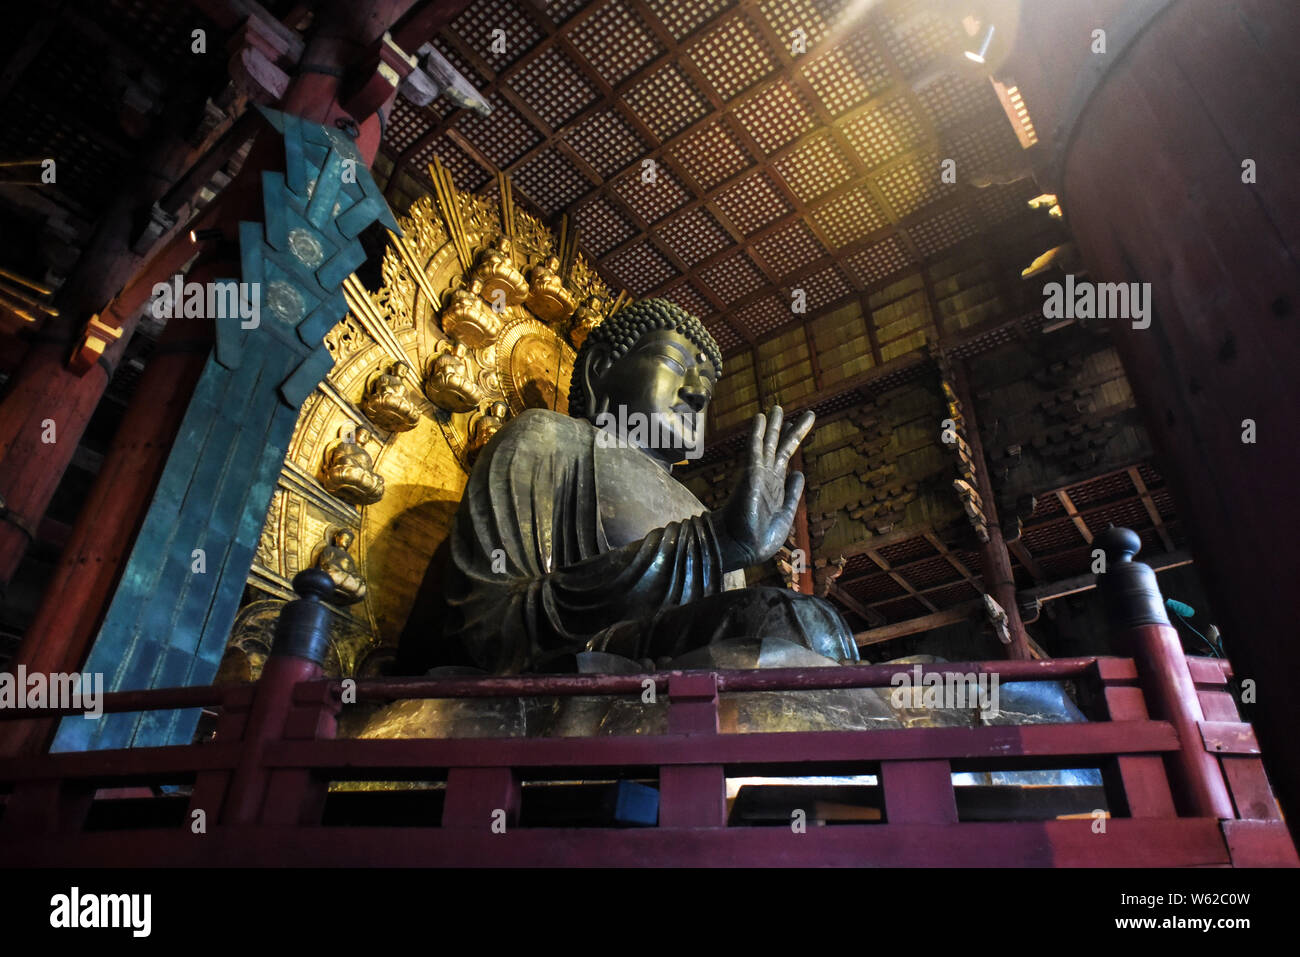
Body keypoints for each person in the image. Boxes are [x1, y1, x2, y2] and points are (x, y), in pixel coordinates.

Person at [399, 298, 857, 674]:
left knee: (812, 627)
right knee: (794, 624)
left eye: (707, 387)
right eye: (674, 362)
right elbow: (487, 630)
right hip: (575, 677)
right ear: (600, 369)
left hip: (674, 691)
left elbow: (720, 632)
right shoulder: (548, 439)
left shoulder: (701, 510)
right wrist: (711, 544)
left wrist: (722, 545)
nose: (697, 392)